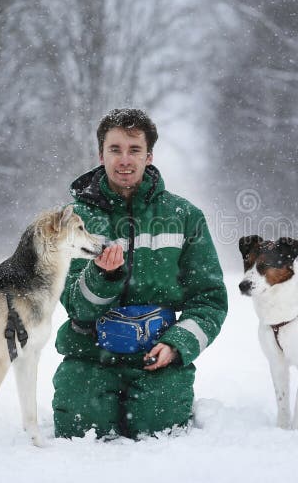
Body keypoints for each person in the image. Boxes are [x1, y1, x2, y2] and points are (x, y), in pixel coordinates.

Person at [52, 108, 228, 439]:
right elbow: (74, 304)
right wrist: (100, 278)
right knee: (79, 429)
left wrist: (177, 345)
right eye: (115, 149)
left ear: (149, 156)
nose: (124, 160)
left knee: (158, 428)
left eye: (134, 150)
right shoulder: (74, 219)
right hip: (90, 354)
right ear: (100, 153)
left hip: (156, 354)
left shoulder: (184, 215)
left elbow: (209, 299)